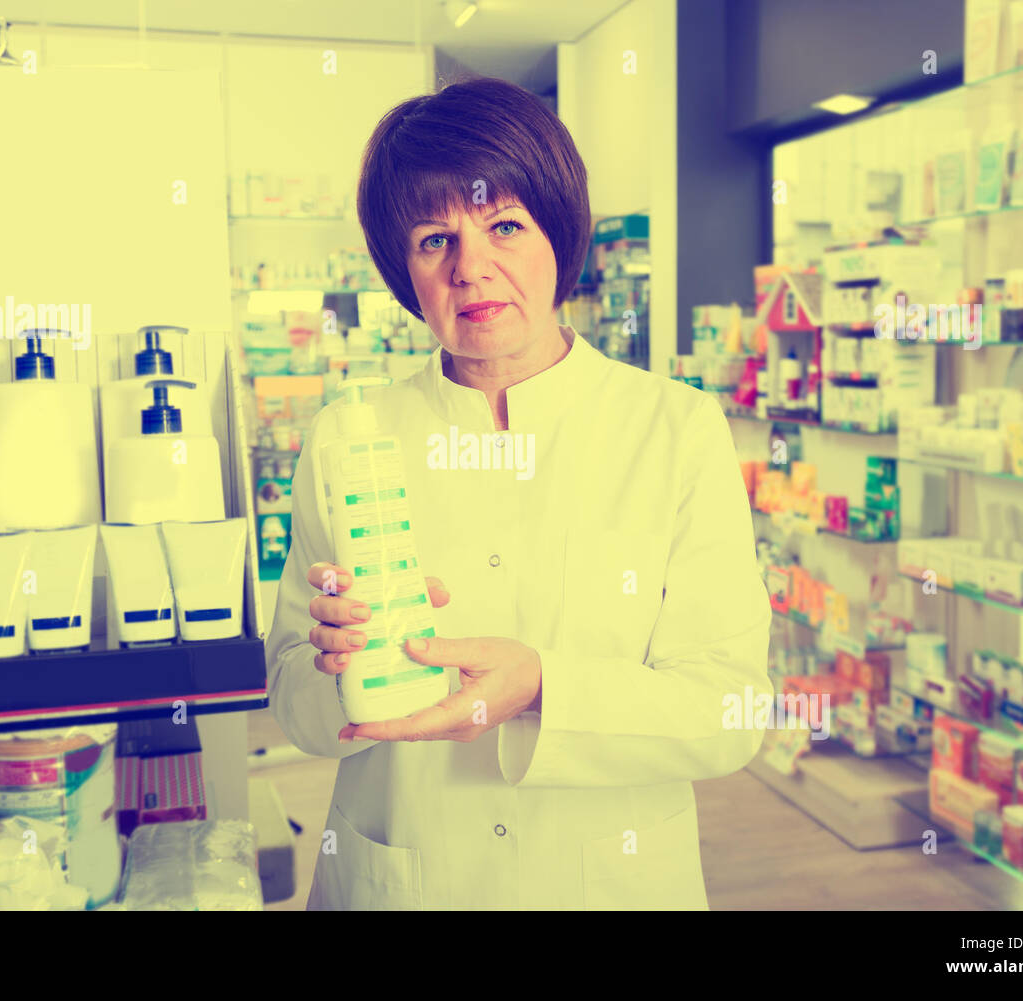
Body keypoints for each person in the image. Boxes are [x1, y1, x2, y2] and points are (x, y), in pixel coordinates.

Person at [263, 77, 771, 910]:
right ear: (405, 270)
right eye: (435, 240)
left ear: (558, 234)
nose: (473, 269)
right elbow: (299, 707)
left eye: (504, 225)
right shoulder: (348, 438)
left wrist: (544, 688)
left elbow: (729, 711)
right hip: (402, 878)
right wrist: (335, 667)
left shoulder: (675, 430)